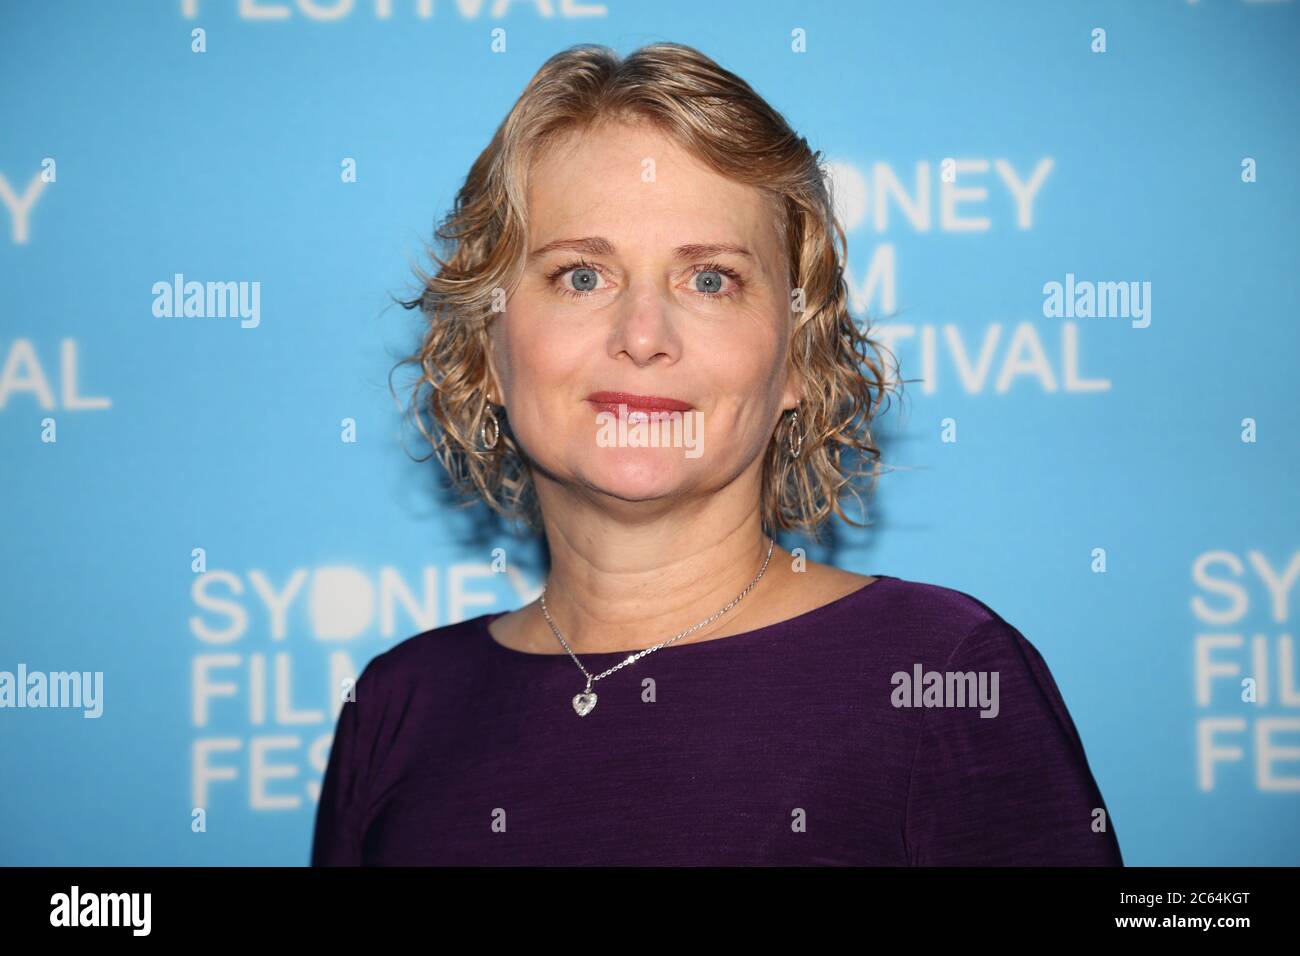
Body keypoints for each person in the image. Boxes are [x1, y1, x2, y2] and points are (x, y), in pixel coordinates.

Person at [310, 41, 1123, 866]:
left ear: (799, 360)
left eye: (710, 280)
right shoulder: (397, 706)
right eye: (582, 276)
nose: (642, 337)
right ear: (485, 349)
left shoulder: (941, 673)